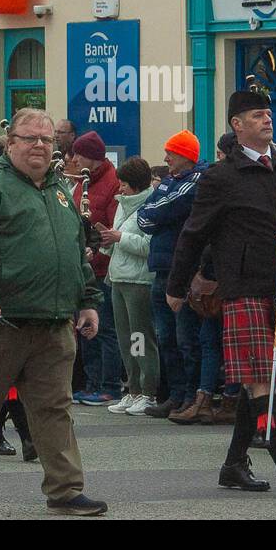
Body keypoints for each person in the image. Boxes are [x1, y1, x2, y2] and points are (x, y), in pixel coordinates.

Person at [0, 108, 105, 516]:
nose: (39, 146)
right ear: (10, 142)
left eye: (47, 140)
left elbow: (74, 251)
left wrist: (86, 299)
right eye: (30, 138)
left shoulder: (60, 191)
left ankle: (65, 491)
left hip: (53, 323)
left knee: (55, 409)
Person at [167, 88, 276, 497]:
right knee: (260, 380)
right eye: (257, 115)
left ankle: (234, 465)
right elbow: (194, 233)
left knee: (257, 382)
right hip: (243, 288)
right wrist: (176, 285)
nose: (268, 120)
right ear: (237, 125)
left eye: (269, 114)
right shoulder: (220, 177)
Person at [137, 131, 208, 418]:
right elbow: (143, 216)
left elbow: (166, 208)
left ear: (185, 155)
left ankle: (192, 396)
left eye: (171, 153)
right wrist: (158, 211)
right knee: (164, 336)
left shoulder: (197, 181)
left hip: (183, 273)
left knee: (185, 338)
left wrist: (158, 210)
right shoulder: (168, 181)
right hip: (161, 270)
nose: (165, 158)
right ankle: (175, 395)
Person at [100, 157, 159, 416]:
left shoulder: (151, 206)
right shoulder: (123, 205)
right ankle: (132, 389)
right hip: (118, 278)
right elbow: (119, 237)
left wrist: (119, 237)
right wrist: (105, 244)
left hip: (139, 281)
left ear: (135, 186)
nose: (119, 189)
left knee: (140, 338)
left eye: (123, 184)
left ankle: (149, 393)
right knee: (126, 339)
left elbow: (149, 246)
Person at [71, 130, 123, 406]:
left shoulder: (112, 183)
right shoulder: (83, 182)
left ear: (91, 156)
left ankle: (110, 385)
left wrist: (98, 250)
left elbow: (112, 227)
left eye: (79, 154)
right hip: (85, 268)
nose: (74, 158)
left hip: (102, 268)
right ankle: (91, 383)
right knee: (85, 328)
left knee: (105, 329)